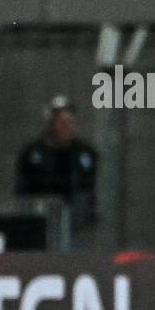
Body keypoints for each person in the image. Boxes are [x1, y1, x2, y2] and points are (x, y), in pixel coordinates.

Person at [14, 96, 99, 235]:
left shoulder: (83, 153)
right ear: (51, 123)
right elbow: (23, 190)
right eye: (61, 122)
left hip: (76, 225)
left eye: (69, 122)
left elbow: (89, 188)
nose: (66, 127)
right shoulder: (32, 153)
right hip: (40, 224)